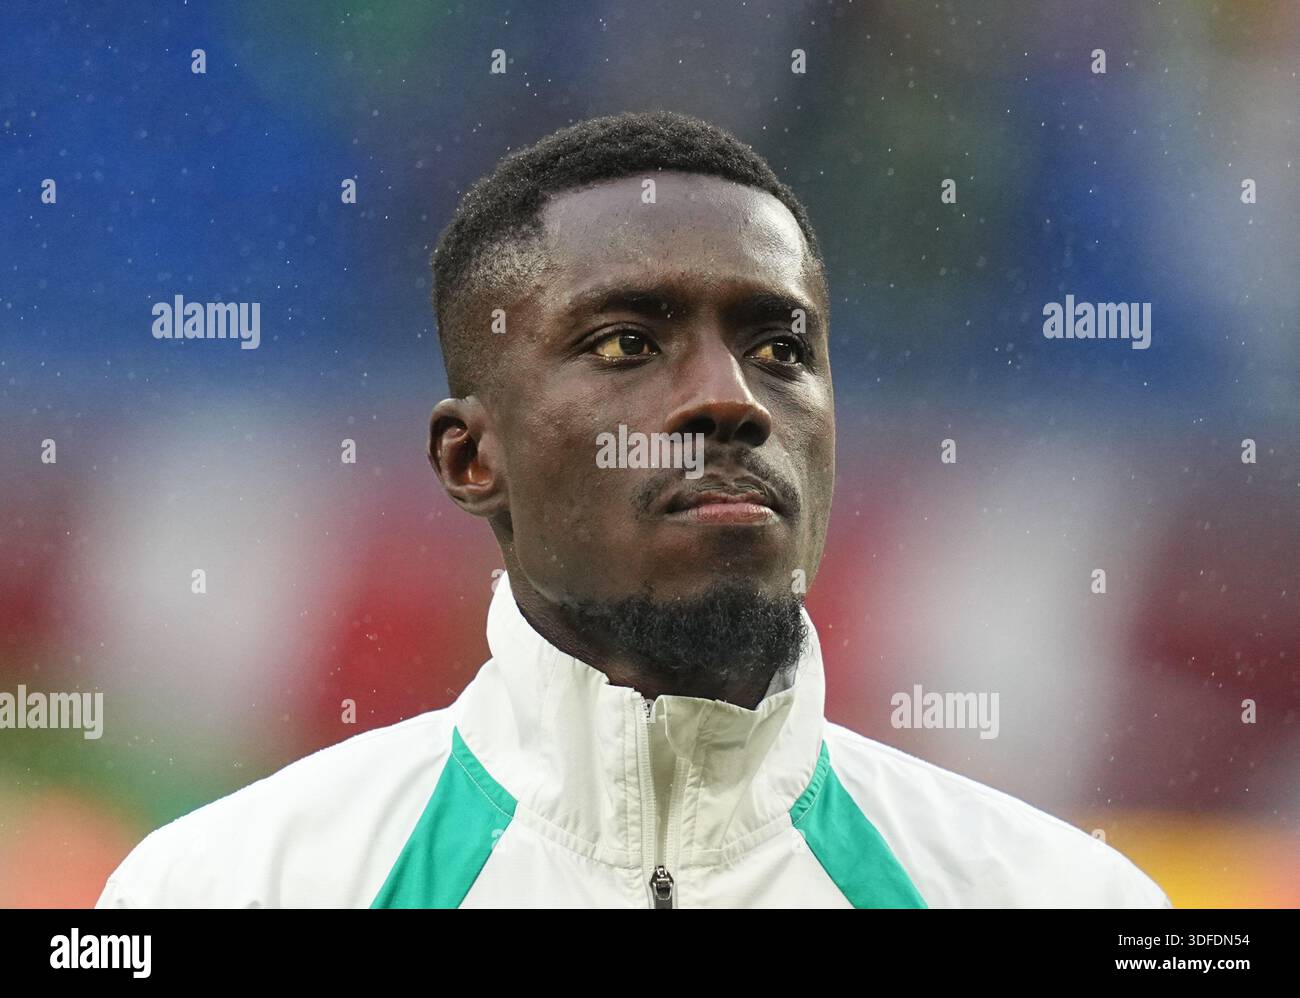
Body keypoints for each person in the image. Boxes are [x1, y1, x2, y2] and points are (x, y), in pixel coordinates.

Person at [97, 110, 1171, 908]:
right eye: (626, 342)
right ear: (472, 457)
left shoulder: (1066, 898)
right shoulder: (232, 887)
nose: (731, 399)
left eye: (780, 349)